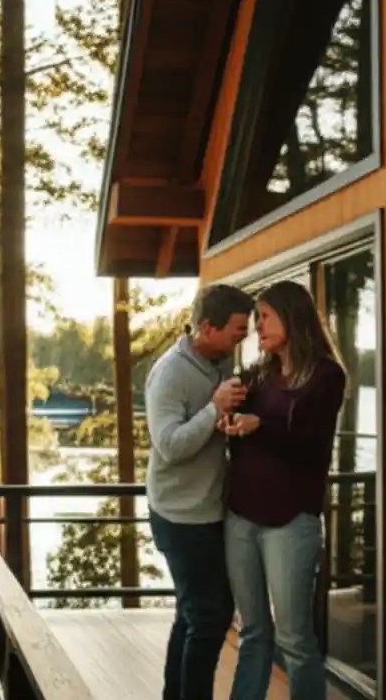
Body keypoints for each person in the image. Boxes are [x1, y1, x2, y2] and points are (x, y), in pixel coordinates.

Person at [221, 280, 347, 700]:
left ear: (292, 316)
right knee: (253, 632)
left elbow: (313, 449)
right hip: (241, 517)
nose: (258, 327)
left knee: (295, 640)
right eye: (257, 319)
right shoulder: (259, 374)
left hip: (290, 524)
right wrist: (232, 421)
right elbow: (242, 432)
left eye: (265, 317)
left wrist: (262, 427)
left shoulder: (327, 376)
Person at [144, 283, 254, 700]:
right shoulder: (170, 374)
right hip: (179, 516)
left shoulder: (218, 363)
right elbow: (169, 446)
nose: (243, 337)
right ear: (208, 327)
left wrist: (229, 420)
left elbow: (210, 429)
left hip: (208, 512)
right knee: (210, 617)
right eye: (238, 329)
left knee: (192, 616)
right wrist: (215, 409)